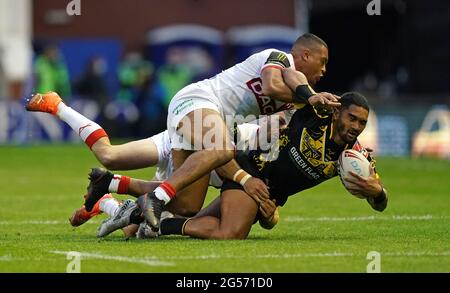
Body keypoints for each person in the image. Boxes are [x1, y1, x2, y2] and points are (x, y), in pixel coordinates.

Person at [100, 74, 388, 240]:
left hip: (270, 196)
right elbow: (287, 78)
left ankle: (130, 209)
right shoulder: (316, 113)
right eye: (352, 118)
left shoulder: (352, 156)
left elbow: (379, 201)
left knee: (193, 214)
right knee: (230, 232)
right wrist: (307, 91)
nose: (355, 127)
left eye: (361, 123)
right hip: (251, 171)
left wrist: (378, 194)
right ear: (337, 111)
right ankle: (162, 224)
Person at [136, 33, 341, 232]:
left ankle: (113, 190)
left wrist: (271, 210)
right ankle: (156, 198)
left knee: (186, 205)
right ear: (306, 55)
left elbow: (286, 139)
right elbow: (270, 86)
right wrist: (310, 97)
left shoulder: (294, 100)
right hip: (198, 100)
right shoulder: (278, 57)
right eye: (322, 62)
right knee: (224, 149)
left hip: (215, 122)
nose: (323, 70)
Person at [24, 92, 281, 230]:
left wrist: (269, 217)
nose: (279, 126)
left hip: (184, 173)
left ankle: (106, 200)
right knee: (109, 155)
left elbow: (270, 213)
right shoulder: (251, 135)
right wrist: (244, 179)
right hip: (179, 143)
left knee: (136, 229)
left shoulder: (274, 159)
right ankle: (57, 106)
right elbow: (219, 155)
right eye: (279, 121)